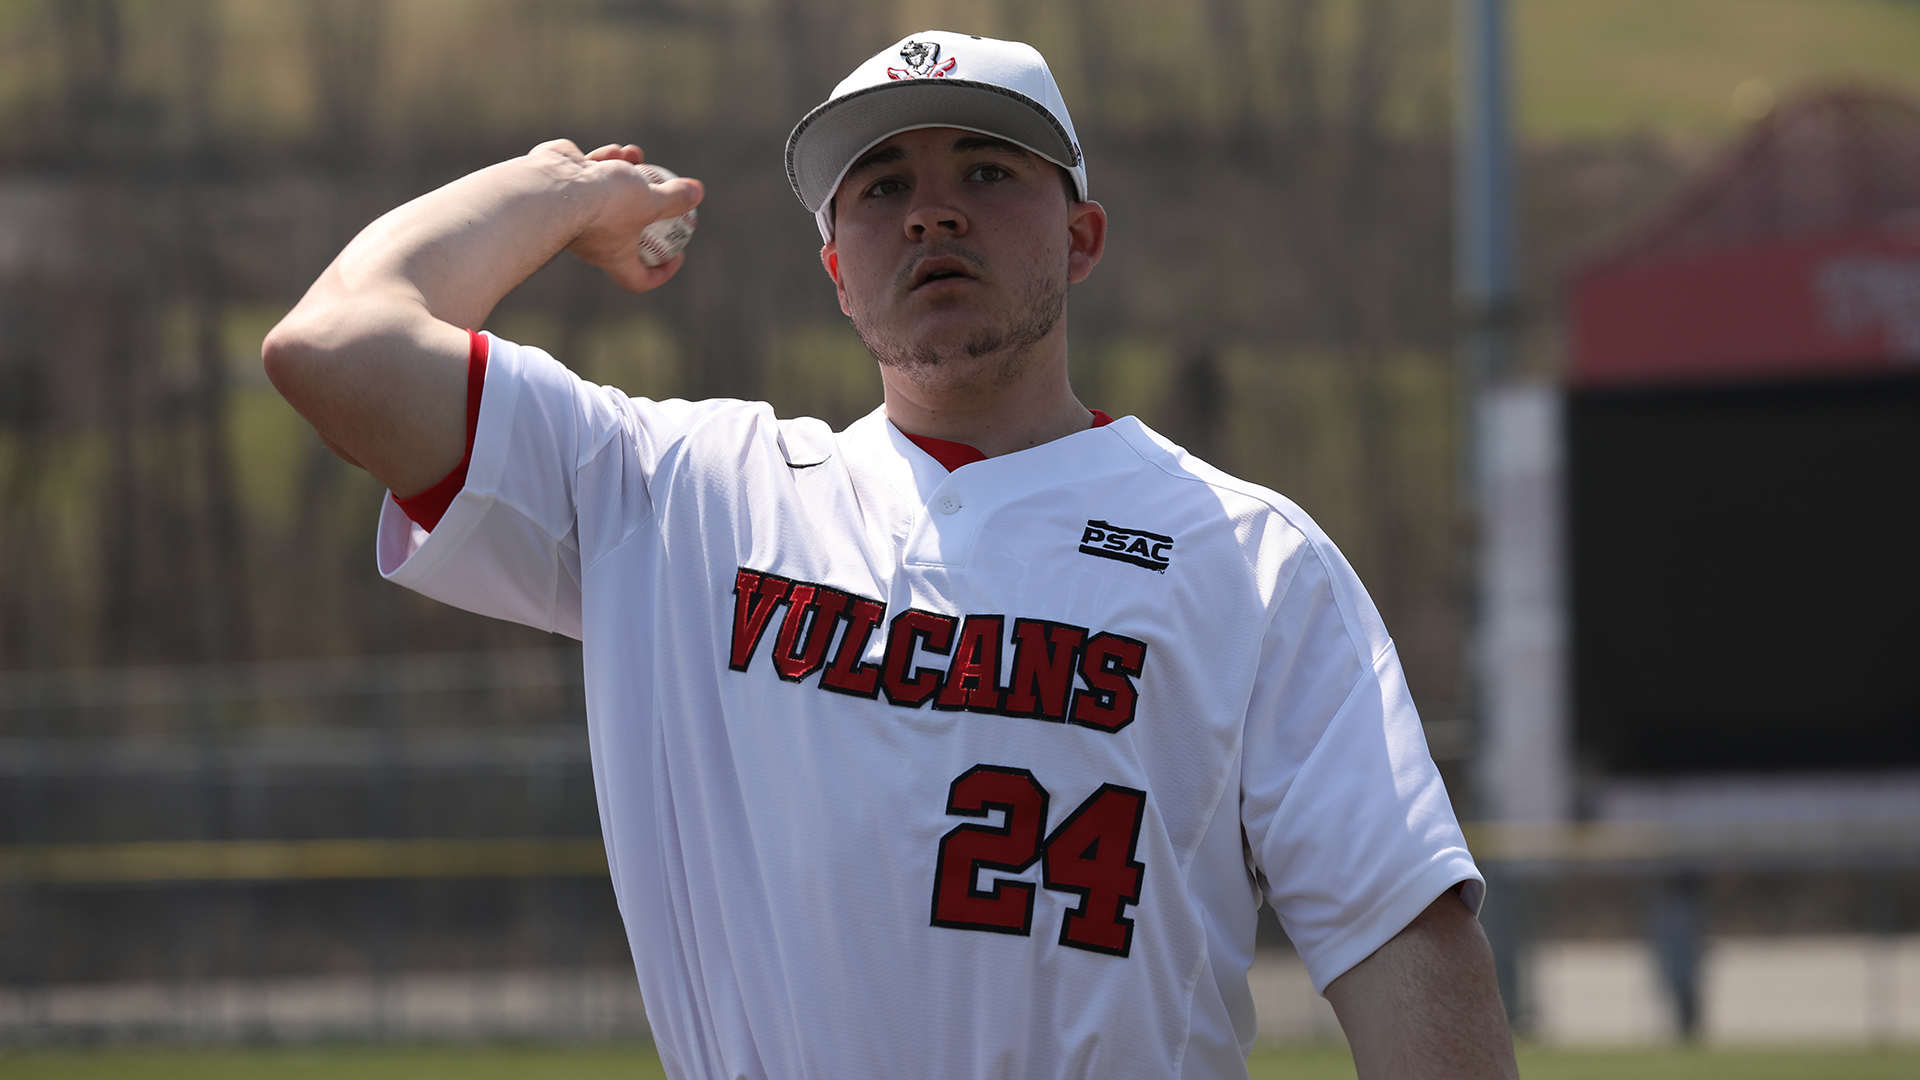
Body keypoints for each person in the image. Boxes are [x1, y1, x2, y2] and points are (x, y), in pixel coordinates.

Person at [263, 29, 1517, 1080]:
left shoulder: (1247, 557)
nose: (930, 209)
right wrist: (564, 191)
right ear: (837, 273)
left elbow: (1399, 934)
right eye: (880, 187)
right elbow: (334, 348)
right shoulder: (684, 494)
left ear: (1081, 238)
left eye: (986, 170)